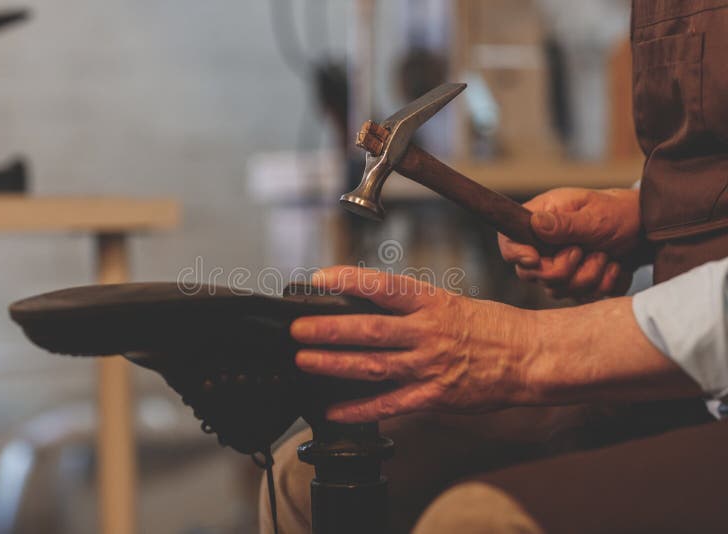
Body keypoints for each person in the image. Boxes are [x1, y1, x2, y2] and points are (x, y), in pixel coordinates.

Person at [260, 1, 728, 532]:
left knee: (475, 521)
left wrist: (529, 347)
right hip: (675, 372)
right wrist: (647, 211)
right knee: (299, 480)